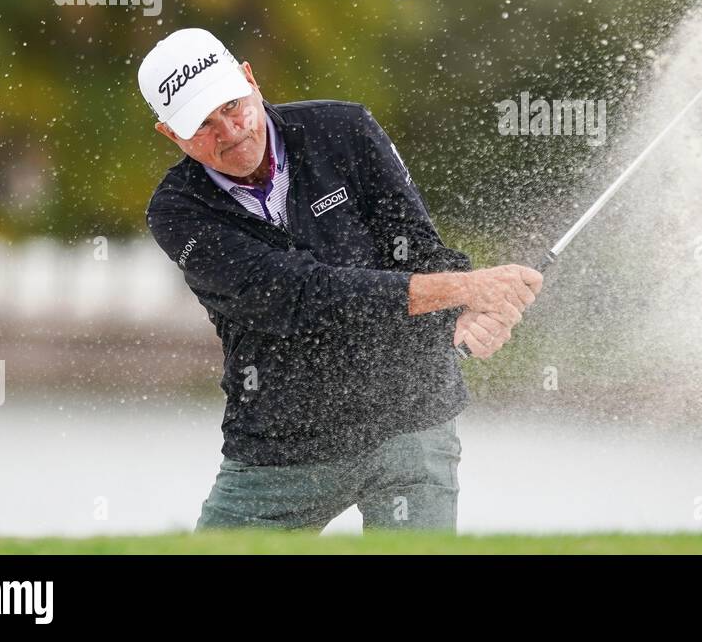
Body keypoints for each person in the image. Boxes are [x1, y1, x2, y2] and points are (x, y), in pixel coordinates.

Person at [137, 27, 541, 532]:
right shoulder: (179, 210)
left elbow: (417, 250)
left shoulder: (343, 129)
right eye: (201, 123)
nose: (230, 130)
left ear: (251, 80)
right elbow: (298, 296)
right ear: (170, 134)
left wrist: (470, 316)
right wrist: (466, 289)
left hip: (410, 423)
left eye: (232, 105)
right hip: (281, 447)